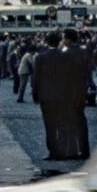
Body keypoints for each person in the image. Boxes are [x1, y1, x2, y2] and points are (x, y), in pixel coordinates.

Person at [32, 32, 69, 161]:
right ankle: (63, 150)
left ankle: (52, 151)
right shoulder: (64, 57)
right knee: (62, 123)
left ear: (47, 42)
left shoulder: (40, 58)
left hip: (46, 96)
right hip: (62, 96)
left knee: (49, 125)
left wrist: (35, 95)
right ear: (59, 41)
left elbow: (36, 78)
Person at [60, 29, 91, 159]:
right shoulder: (83, 52)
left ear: (67, 39)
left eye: (63, 38)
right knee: (81, 120)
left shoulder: (66, 54)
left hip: (69, 92)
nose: (62, 40)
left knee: (69, 121)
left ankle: (71, 150)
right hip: (81, 91)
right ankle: (84, 149)